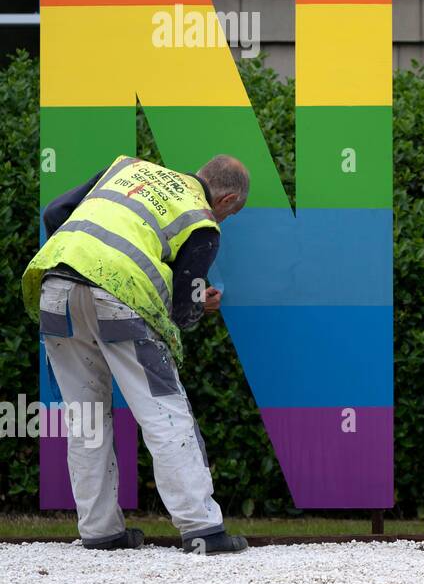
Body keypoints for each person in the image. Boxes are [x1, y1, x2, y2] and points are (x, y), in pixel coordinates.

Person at [22, 154, 252, 555]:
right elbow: (183, 308)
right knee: (164, 411)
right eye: (229, 214)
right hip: (119, 298)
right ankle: (202, 529)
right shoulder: (202, 221)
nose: (223, 221)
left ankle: (100, 532)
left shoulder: (126, 168)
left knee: (86, 416)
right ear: (227, 198)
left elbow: (54, 211)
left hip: (56, 285)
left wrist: (86, 263)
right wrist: (203, 305)